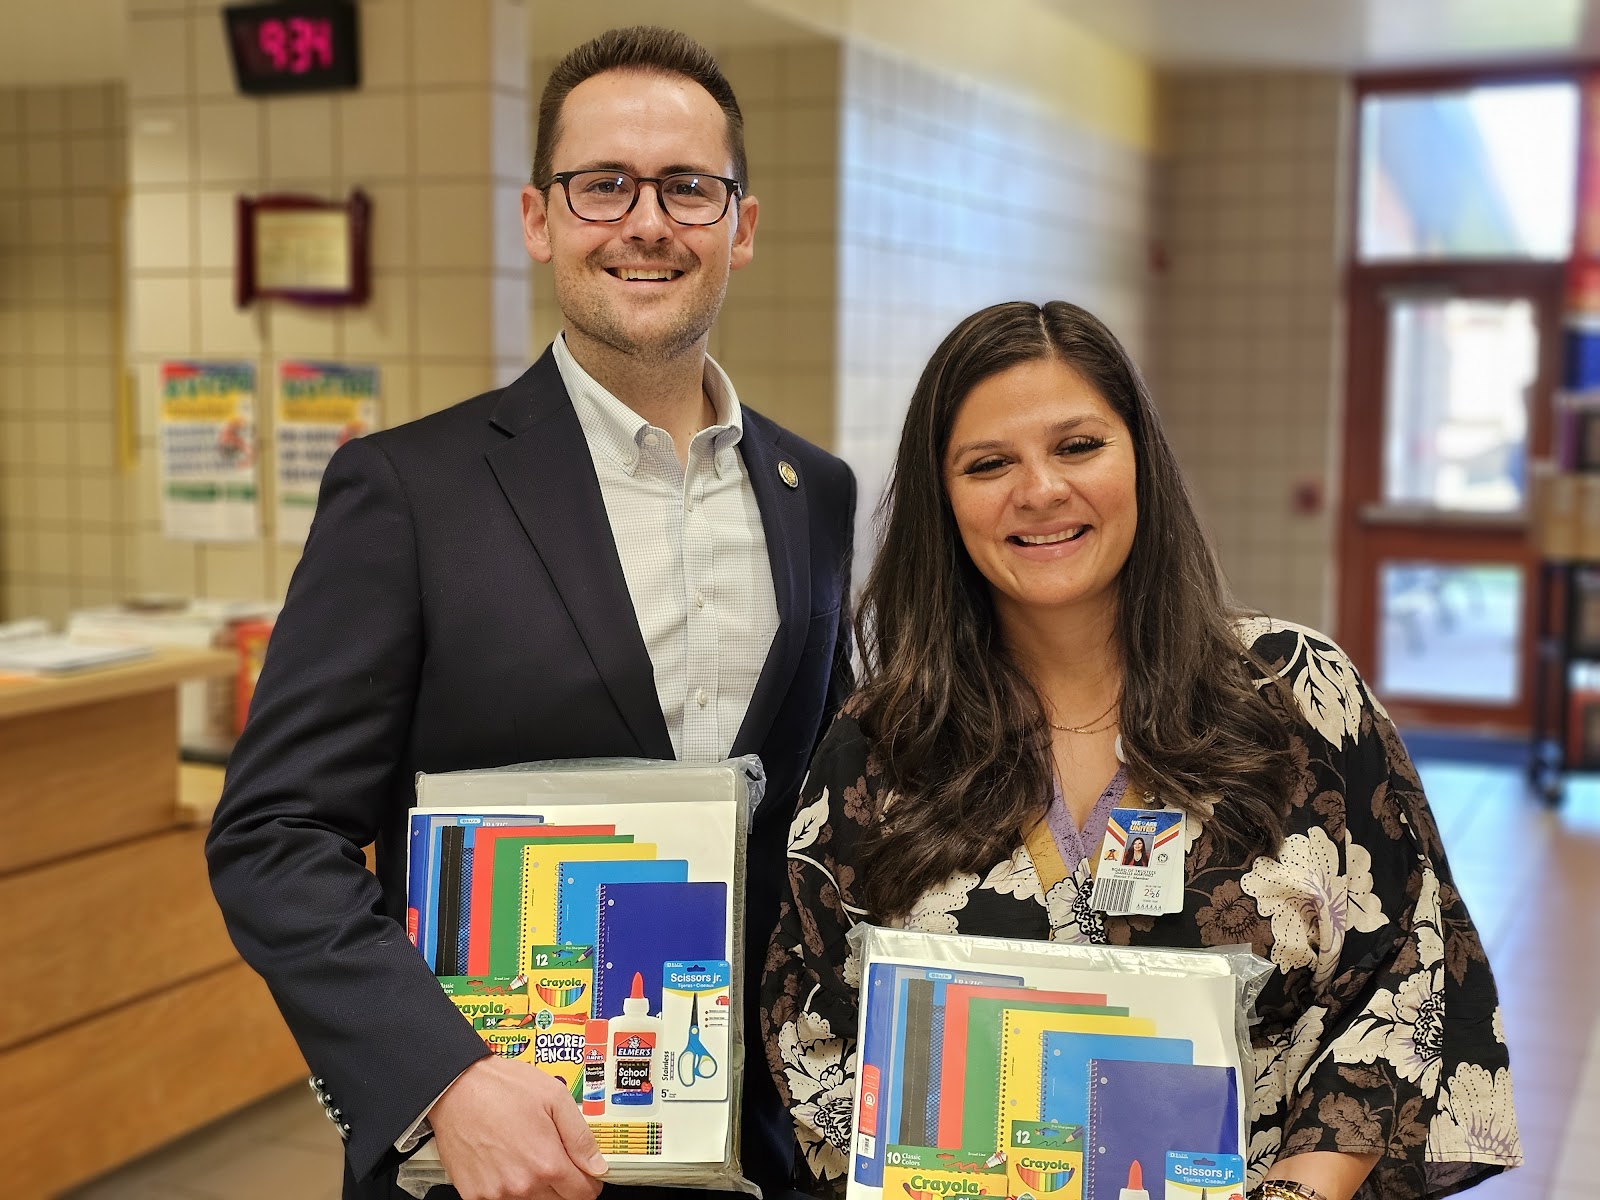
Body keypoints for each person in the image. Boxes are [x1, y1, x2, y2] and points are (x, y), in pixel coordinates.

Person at [207, 26, 855, 1200]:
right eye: (603, 184)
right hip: (503, 1153)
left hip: (761, 1150)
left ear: (740, 227)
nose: (646, 221)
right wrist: (444, 1078)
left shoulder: (817, 494)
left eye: (688, 188)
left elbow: (831, 814)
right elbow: (274, 836)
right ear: (539, 219)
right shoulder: (408, 491)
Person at [761, 301, 1520, 1200]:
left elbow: (1406, 972)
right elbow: (808, 1019)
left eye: (1078, 446)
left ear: (1141, 462)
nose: (1039, 490)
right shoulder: (882, 744)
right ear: (943, 499)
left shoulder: (1296, 695)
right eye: (988, 463)